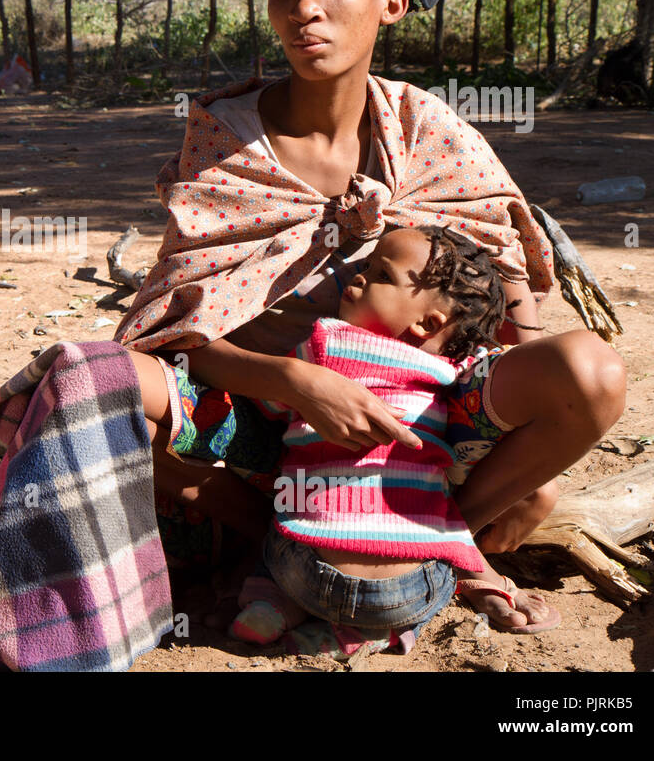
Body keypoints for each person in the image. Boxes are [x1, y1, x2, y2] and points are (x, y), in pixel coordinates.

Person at [0, 0, 625, 671]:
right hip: (255, 423)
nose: (304, 9)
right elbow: (179, 335)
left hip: (420, 425)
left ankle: (427, 533)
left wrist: (500, 424)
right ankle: (256, 551)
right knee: (97, 382)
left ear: (392, 3)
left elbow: (514, 310)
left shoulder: (430, 134)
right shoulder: (225, 141)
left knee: (593, 374)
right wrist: (297, 381)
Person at [216, 226, 559, 652]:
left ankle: (273, 602)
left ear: (427, 322)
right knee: (432, 531)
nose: (356, 276)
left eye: (379, 273)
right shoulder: (458, 375)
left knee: (286, 520)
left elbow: (270, 407)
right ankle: (376, 631)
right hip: (406, 592)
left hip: (305, 568)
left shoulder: (323, 345)